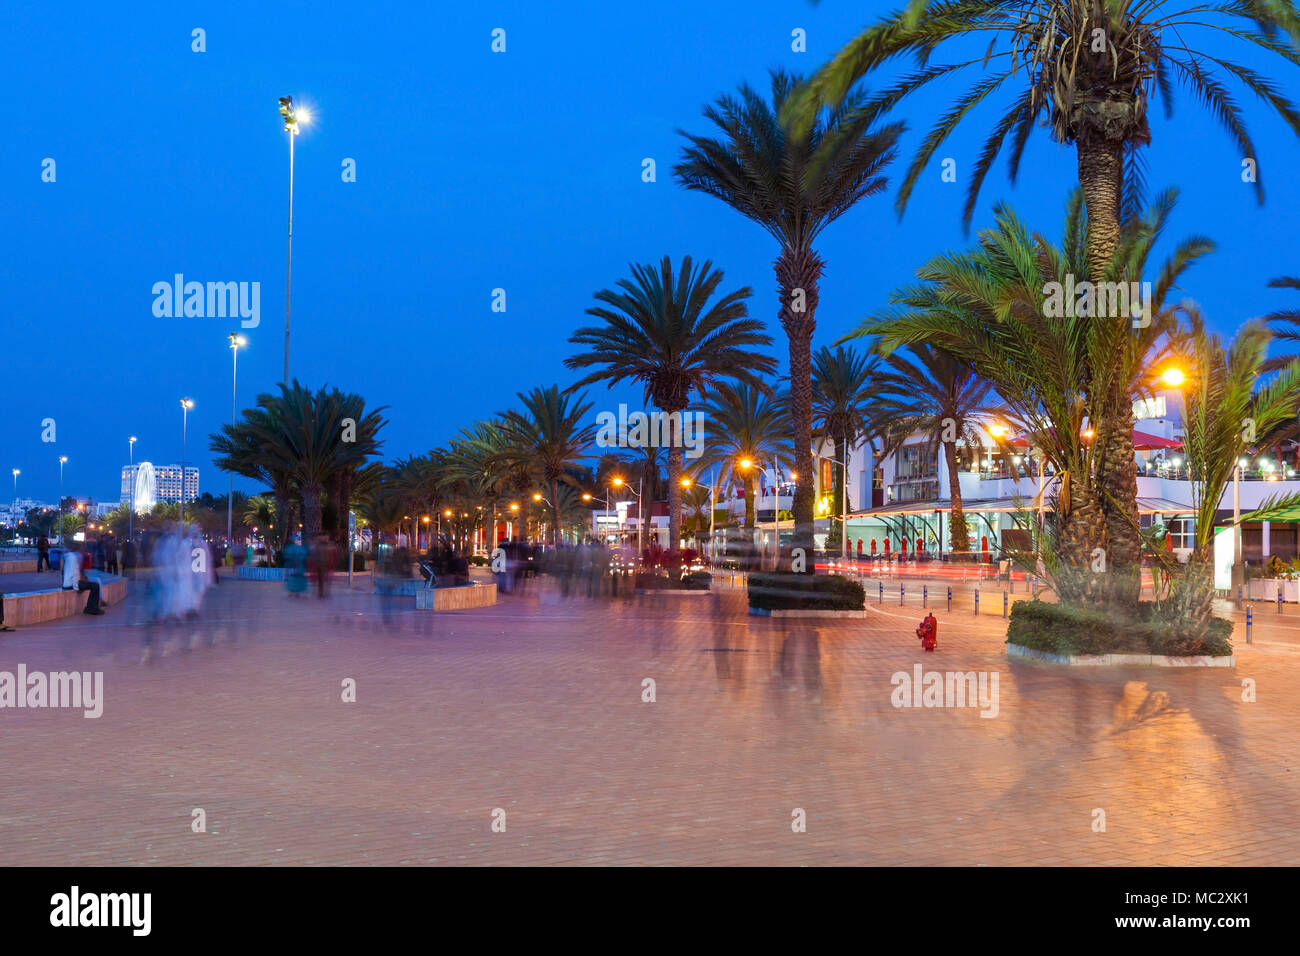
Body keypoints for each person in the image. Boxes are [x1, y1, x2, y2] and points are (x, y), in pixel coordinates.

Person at [62, 545, 104, 614]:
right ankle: (92, 608)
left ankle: (91, 607)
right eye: (82, 549)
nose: (83, 551)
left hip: (68, 583)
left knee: (94, 583)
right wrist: (77, 587)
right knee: (95, 586)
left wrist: (82, 579)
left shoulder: (69, 556)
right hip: (72, 584)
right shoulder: (74, 558)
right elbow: (74, 573)